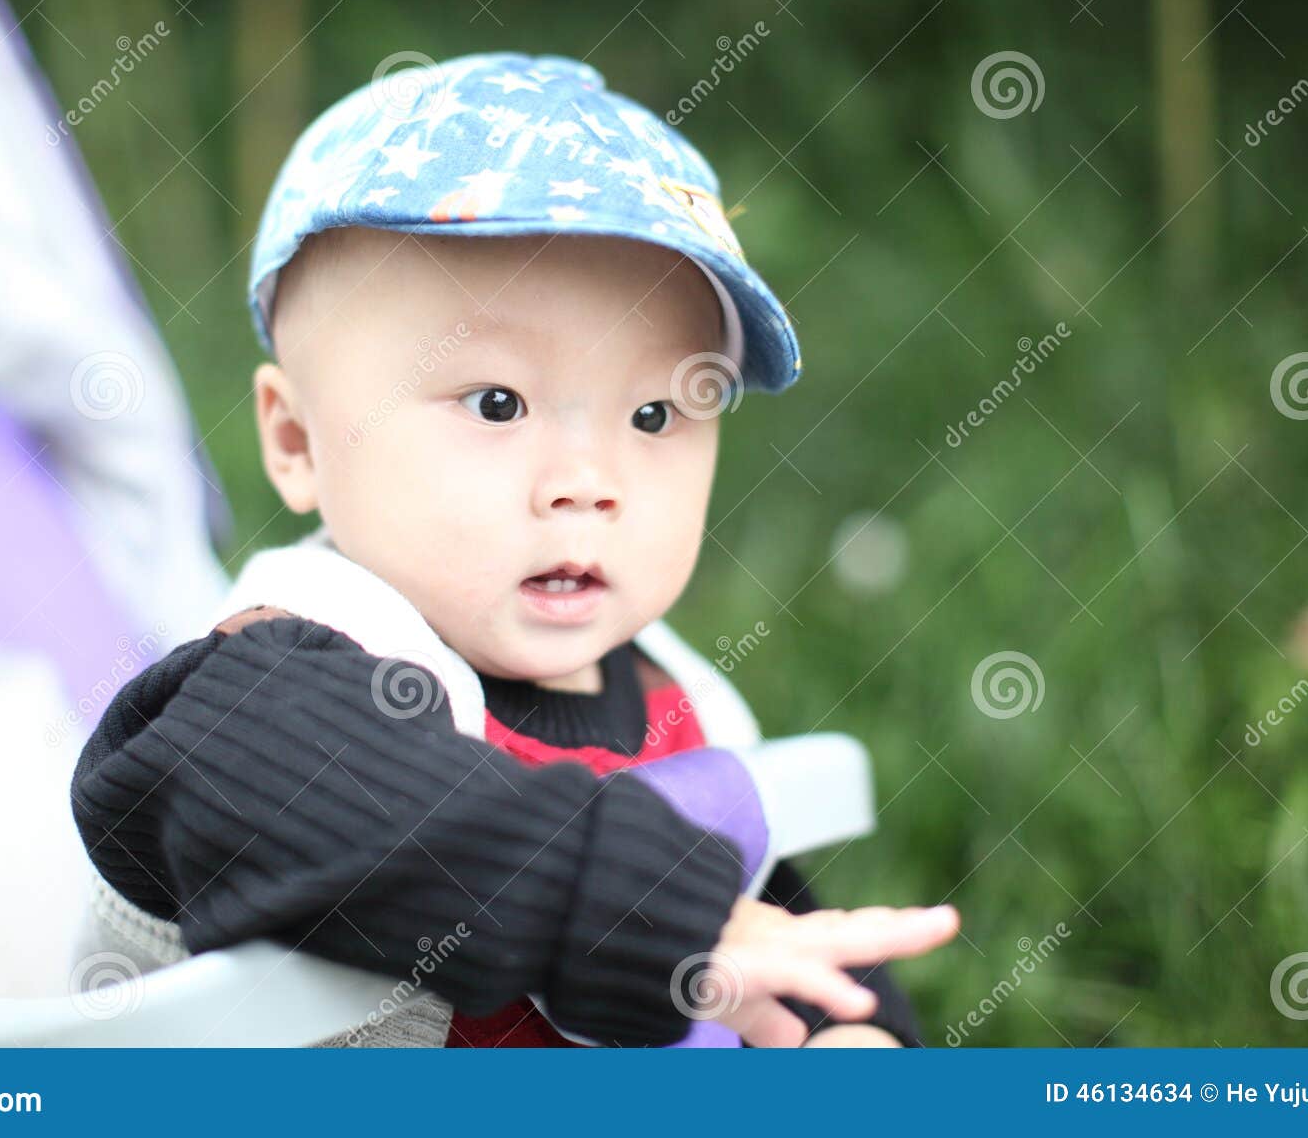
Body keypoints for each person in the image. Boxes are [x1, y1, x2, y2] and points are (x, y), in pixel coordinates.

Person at [71, 51, 959, 1048]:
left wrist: (850, 1028)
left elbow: (770, 930)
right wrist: (654, 912)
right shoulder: (268, 686)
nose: (587, 479)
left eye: (656, 412)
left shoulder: (689, 709)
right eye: (497, 403)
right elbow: (334, 795)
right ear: (295, 440)